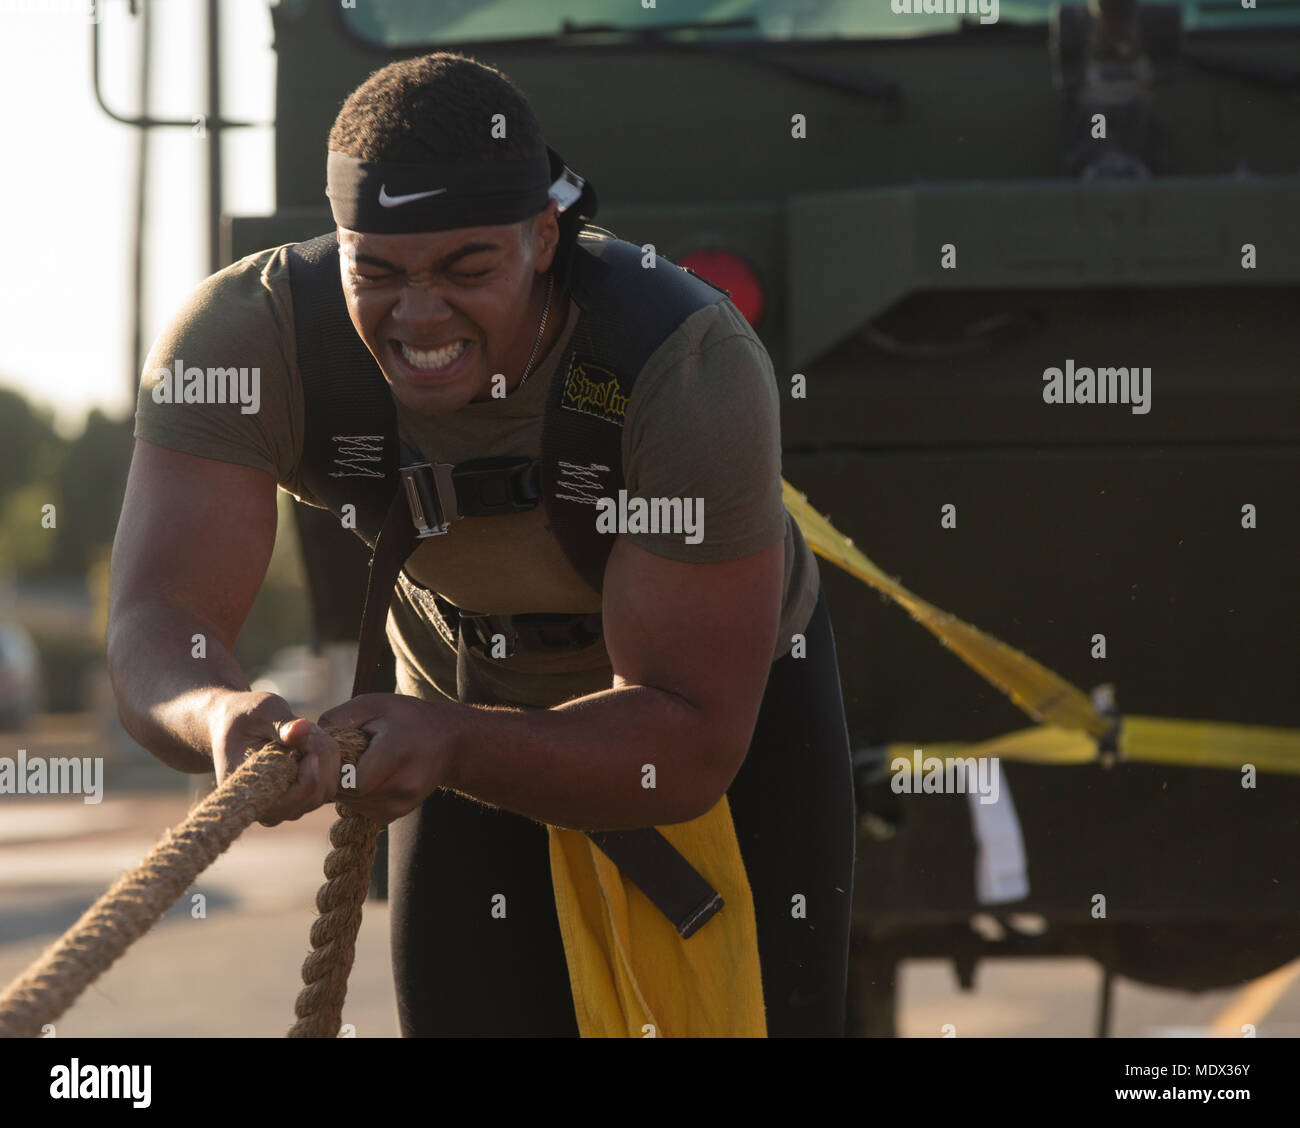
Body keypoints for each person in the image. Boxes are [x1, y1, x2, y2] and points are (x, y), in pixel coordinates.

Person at [107, 51, 856, 1036]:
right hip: (460, 688)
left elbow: (686, 741)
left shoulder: (683, 362)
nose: (418, 316)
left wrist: (454, 741)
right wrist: (223, 716)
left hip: (718, 721)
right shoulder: (243, 340)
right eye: (374, 272)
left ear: (544, 235)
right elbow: (160, 617)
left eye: (467, 270)